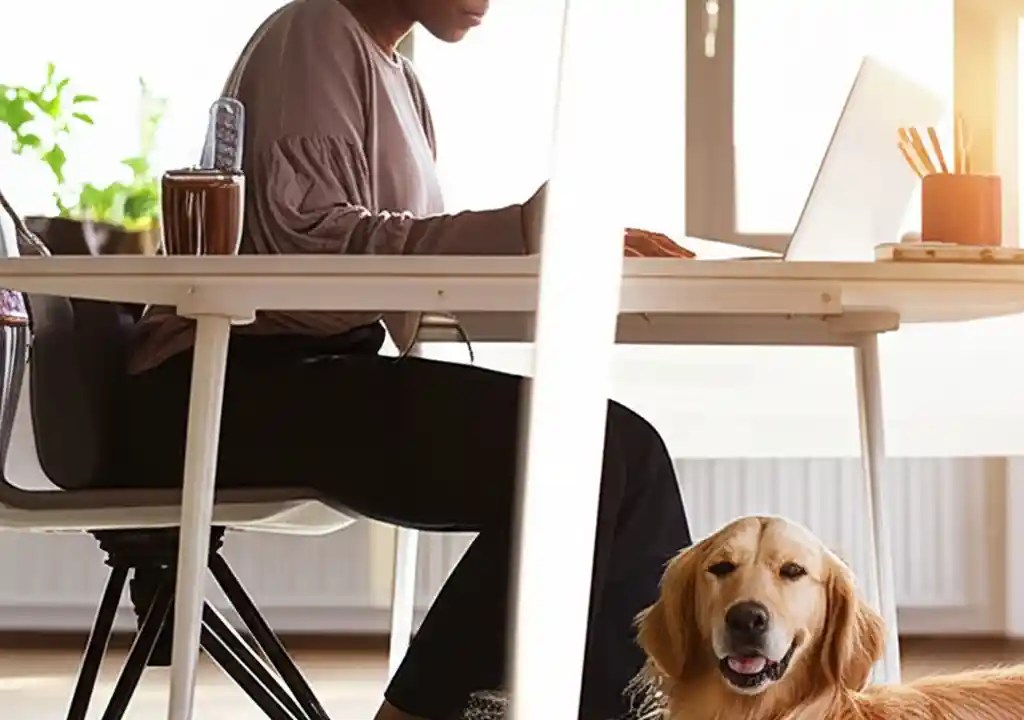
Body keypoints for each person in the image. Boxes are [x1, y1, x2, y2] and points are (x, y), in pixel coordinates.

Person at [106, 1, 695, 719]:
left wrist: (548, 250)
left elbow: (392, 266)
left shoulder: (402, 81)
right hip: (229, 388)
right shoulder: (314, 32)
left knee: (627, 454)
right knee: (591, 453)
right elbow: (311, 254)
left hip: (312, 374)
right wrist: (517, 232)